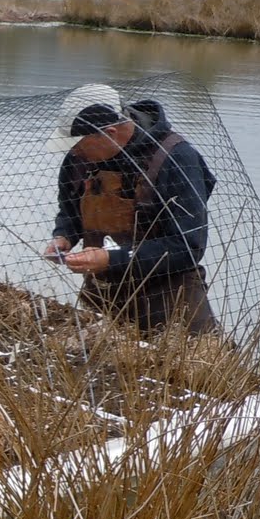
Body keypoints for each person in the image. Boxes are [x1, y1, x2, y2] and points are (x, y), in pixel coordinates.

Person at [41, 84, 218, 335]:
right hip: (104, 292)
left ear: (110, 133)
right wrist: (64, 235)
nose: (74, 151)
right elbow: (70, 211)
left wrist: (110, 258)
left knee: (190, 358)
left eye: (79, 144)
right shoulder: (79, 159)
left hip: (169, 298)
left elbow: (188, 247)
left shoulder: (177, 159)